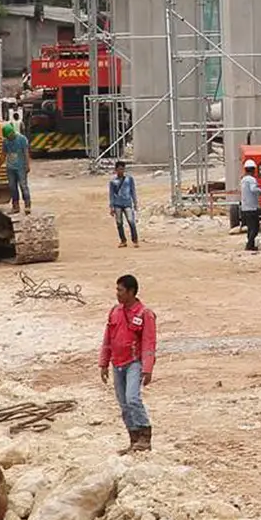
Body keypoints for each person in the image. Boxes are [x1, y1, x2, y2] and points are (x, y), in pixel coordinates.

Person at [98, 274, 157, 453]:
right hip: (117, 363)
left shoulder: (145, 314)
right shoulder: (115, 312)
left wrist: (147, 368)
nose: (117, 294)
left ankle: (145, 434)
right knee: (123, 404)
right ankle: (134, 439)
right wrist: (103, 362)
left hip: (134, 362)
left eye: (120, 290)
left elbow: (149, 342)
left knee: (132, 398)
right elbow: (108, 338)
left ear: (131, 292)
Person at [2, 122, 32, 214]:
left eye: (9, 136)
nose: (8, 138)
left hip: (20, 167)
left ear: (12, 133)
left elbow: (26, 152)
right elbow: (3, 154)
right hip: (10, 168)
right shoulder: (6, 141)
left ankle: (27, 205)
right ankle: (15, 206)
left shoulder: (22, 139)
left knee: (23, 186)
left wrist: (27, 165)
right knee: (12, 187)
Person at [108, 160, 140, 247]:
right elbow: (111, 194)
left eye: (122, 169)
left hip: (127, 203)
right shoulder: (113, 182)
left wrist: (135, 202)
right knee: (119, 223)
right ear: (116, 170)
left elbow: (133, 191)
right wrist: (111, 207)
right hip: (117, 204)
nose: (121, 171)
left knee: (131, 221)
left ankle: (135, 240)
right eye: (119, 169)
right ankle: (123, 240)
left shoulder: (129, 179)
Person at [237, 156, 261, 252]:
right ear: (253, 170)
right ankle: (249, 245)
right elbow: (253, 189)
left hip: (245, 208)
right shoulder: (252, 180)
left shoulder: (243, 180)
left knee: (250, 228)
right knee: (255, 228)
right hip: (252, 208)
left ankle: (251, 245)